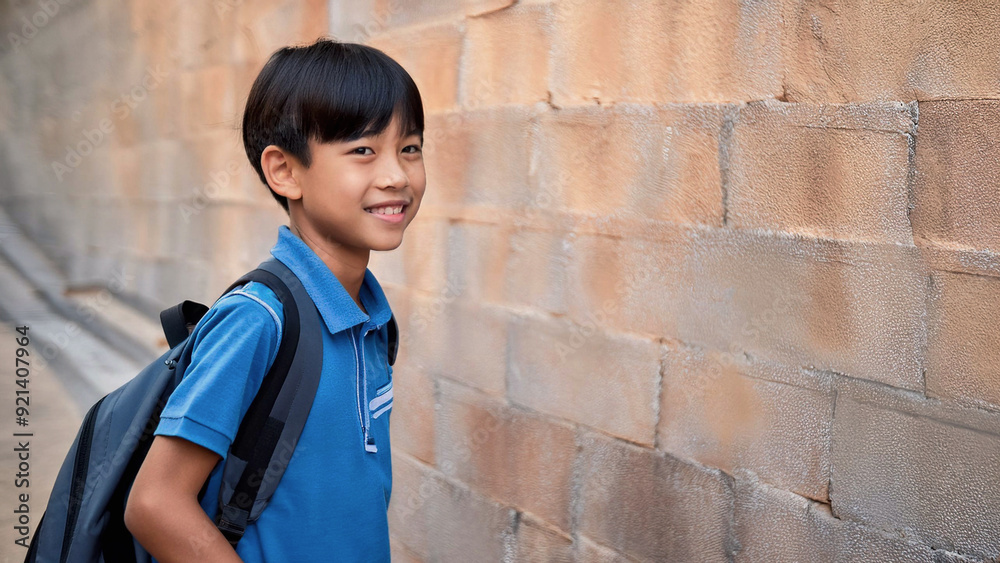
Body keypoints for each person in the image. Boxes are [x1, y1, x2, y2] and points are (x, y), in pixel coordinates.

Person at [123, 37, 426, 562]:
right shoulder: (260, 320)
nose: (396, 175)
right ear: (285, 171)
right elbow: (154, 504)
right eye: (363, 151)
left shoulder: (370, 316)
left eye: (410, 148)